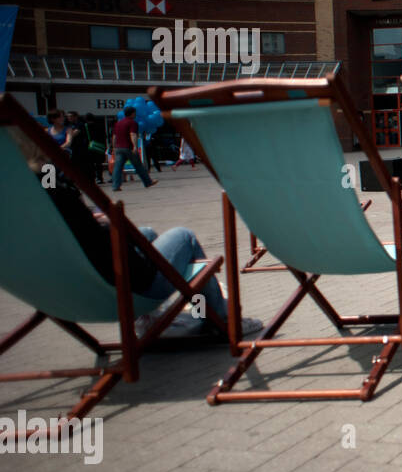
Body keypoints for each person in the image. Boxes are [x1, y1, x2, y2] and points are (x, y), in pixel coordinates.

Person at [8, 128, 260, 338]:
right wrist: (102, 222)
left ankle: (150, 319)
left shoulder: (18, 196)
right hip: (122, 286)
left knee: (147, 233)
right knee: (184, 236)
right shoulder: (49, 180)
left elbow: (65, 223)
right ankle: (217, 320)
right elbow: (69, 212)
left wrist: (90, 219)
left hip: (65, 292)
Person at [110, 105, 155, 191]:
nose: (135, 114)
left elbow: (114, 136)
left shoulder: (118, 123)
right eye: (134, 113)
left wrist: (114, 147)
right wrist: (135, 146)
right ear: (132, 113)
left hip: (119, 148)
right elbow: (133, 134)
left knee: (118, 167)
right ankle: (148, 182)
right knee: (138, 166)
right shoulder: (132, 123)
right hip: (128, 148)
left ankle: (115, 186)